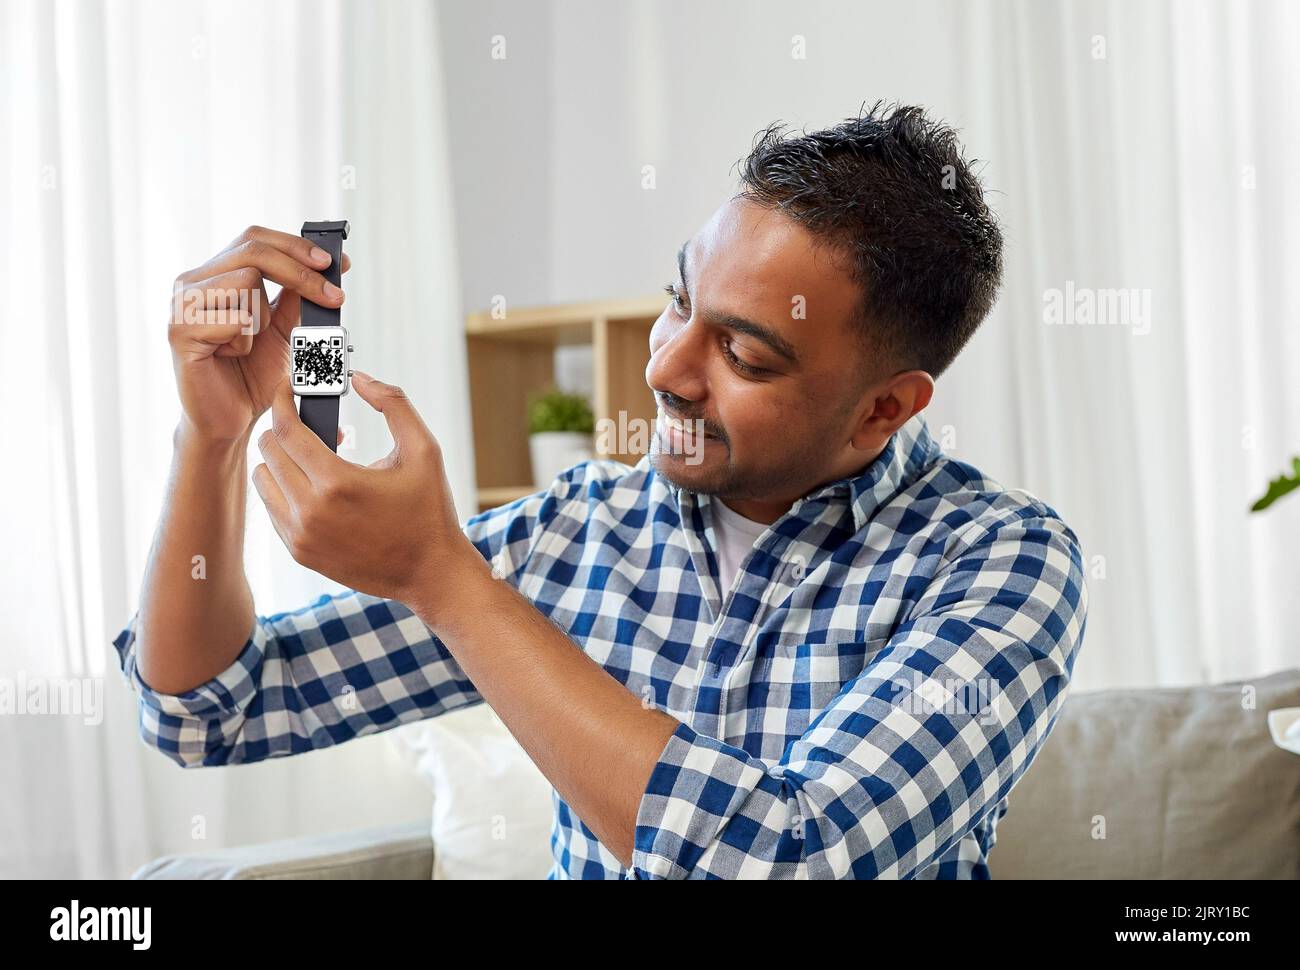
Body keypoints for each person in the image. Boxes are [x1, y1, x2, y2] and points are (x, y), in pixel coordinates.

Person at [114, 102, 1087, 879]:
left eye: (743, 352)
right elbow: (212, 709)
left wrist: (447, 582)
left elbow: (786, 857)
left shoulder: (1000, 559)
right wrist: (209, 437)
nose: (666, 368)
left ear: (882, 410)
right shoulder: (582, 528)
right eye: (677, 302)